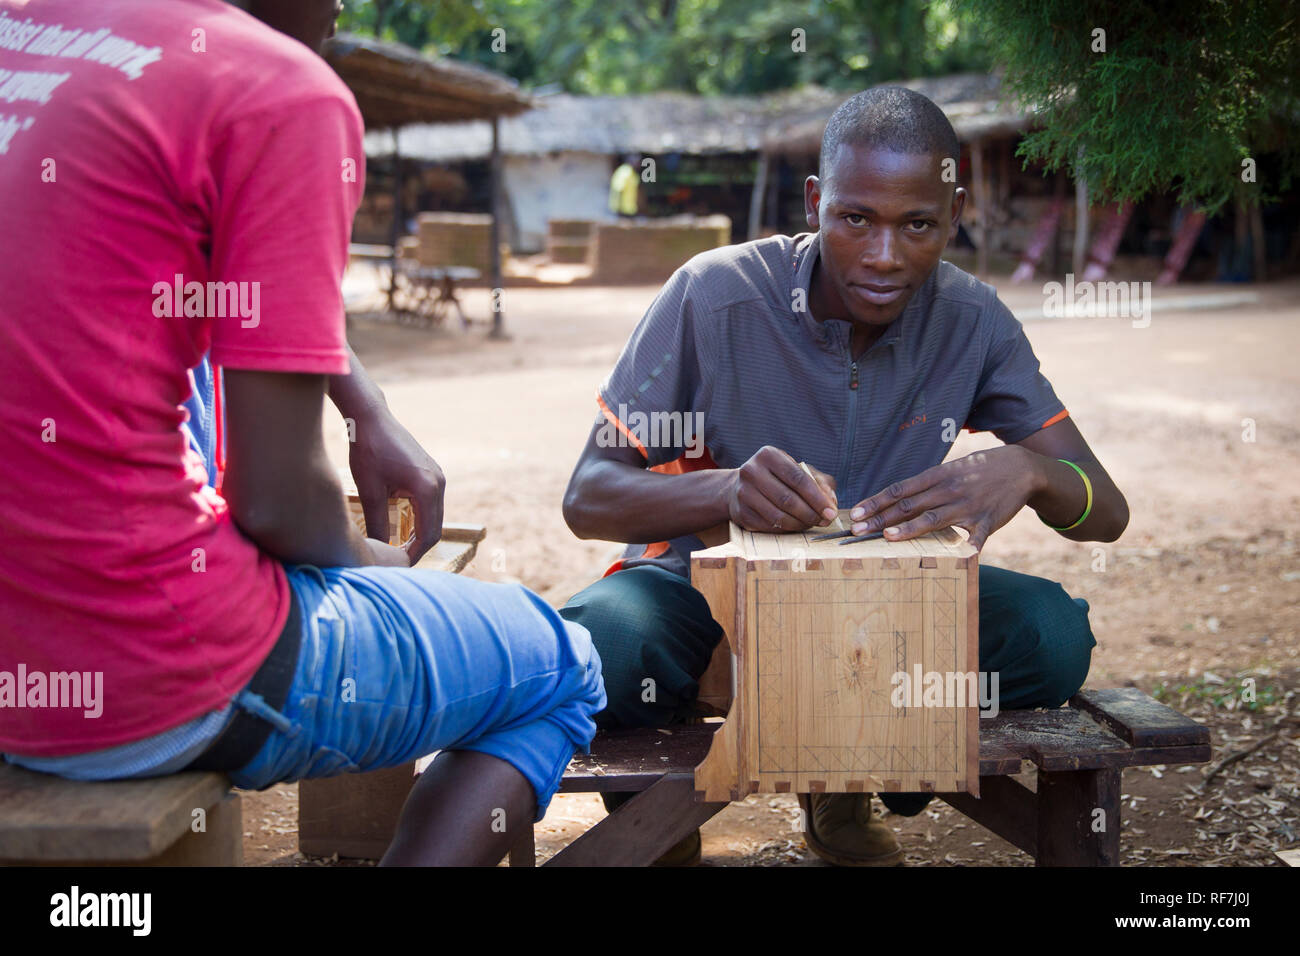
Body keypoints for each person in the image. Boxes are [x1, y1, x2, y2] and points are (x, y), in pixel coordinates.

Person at [0, 0, 604, 867]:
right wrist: (379, 565)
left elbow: (182, 282)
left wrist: (363, 402)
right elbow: (280, 506)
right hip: (134, 672)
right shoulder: (279, 92)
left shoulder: (29, 36)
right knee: (559, 664)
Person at [560, 86, 1129, 866]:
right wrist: (723, 491)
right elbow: (587, 494)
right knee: (602, 644)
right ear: (816, 201)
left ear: (954, 213)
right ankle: (658, 823)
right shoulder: (713, 294)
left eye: (917, 224)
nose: (884, 256)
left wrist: (1029, 469)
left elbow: (1105, 510)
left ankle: (845, 782)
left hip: (889, 600)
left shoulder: (974, 322)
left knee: (1051, 635)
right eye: (856, 219)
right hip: (703, 582)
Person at [609, 154, 640, 218]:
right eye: (637, 162)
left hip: (630, 209)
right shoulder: (624, 172)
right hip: (622, 210)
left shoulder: (633, 173)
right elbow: (618, 190)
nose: (638, 164)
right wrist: (618, 208)